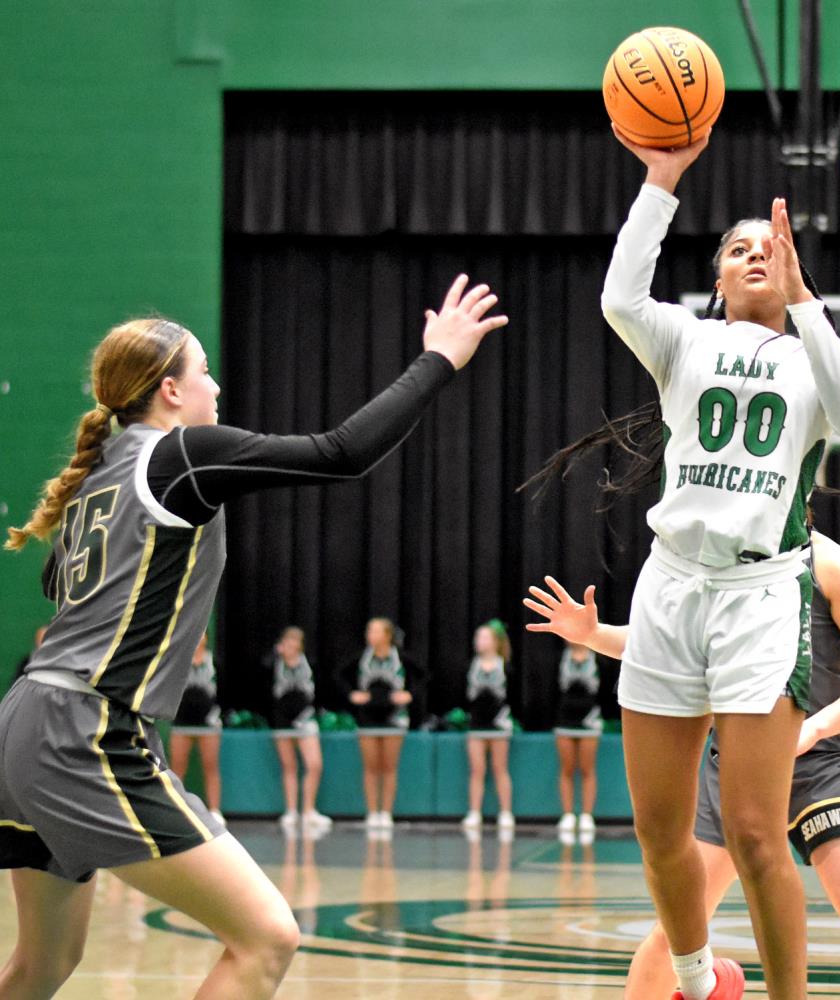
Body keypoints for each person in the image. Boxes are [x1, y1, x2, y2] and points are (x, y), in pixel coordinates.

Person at [0, 274, 506, 997]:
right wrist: (440, 360)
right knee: (267, 936)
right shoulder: (179, 455)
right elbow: (341, 453)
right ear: (170, 391)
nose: (214, 385)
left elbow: (60, 585)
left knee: (42, 964)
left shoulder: (97, 477)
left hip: (23, 719)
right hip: (85, 729)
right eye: (202, 371)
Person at [536, 123, 840, 1000]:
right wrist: (660, 181)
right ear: (716, 280)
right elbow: (618, 296)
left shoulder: (811, 357)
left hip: (762, 592)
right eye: (738, 248)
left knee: (758, 836)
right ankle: (696, 978)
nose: (756, 253)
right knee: (657, 830)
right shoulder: (684, 341)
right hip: (670, 586)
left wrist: (806, 299)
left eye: (771, 245)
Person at [525, 528, 840, 1000]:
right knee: (677, 931)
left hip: (819, 763)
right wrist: (593, 634)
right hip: (735, 763)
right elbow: (663, 645)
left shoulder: (832, 565)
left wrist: (814, 728)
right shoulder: (716, 564)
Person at [340, 617, 425, 830]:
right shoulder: (362, 657)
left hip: (394, 718)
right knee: (370, 768)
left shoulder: (400, 657)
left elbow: (424, 675)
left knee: (388, 767)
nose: (371, 635)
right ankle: (372, 813)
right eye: (369, 631)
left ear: (387, 635)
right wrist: (352, 694)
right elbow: (338, 674)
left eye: (376, 631)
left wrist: (409, 694)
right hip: (368, 717)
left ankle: (386, 813)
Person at [264, 626, 330, 833]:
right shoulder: (273, 664)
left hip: (305, 719)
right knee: (289, 766)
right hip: (282, 721)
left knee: (314, 764)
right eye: (287, 642)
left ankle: (309, 810)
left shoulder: (310, 665)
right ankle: (291, 810)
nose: (291, 647)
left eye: (295, 643)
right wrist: (275, 654)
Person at [462, 619, 515, 831]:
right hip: (477, 724)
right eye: (477, 637)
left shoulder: (506, 667)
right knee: (477, 770)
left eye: (484, 637)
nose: (479, 641)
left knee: (499, 768)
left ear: (496, 641)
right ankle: (474, 812)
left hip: (499, 724)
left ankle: (506, 812)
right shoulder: (470, 666)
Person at [169, 631, 225, 827]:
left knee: (210, 766)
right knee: (177, 767)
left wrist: (217, 715)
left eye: (203, 634)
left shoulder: (214, 662)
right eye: (196, 633)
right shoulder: (179, 660)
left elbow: (223, 691)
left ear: (207, 639)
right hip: (182, 723)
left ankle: (215, 811)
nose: (199, 637)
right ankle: (176, 809)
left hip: (208, 724)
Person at [551, 638, 601, 836]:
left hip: (589, 719)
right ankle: (568, 814)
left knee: (587, 769)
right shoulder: (559, 659)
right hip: (565, 719)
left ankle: (587, 815)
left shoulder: (598, 658)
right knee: (567, 768)